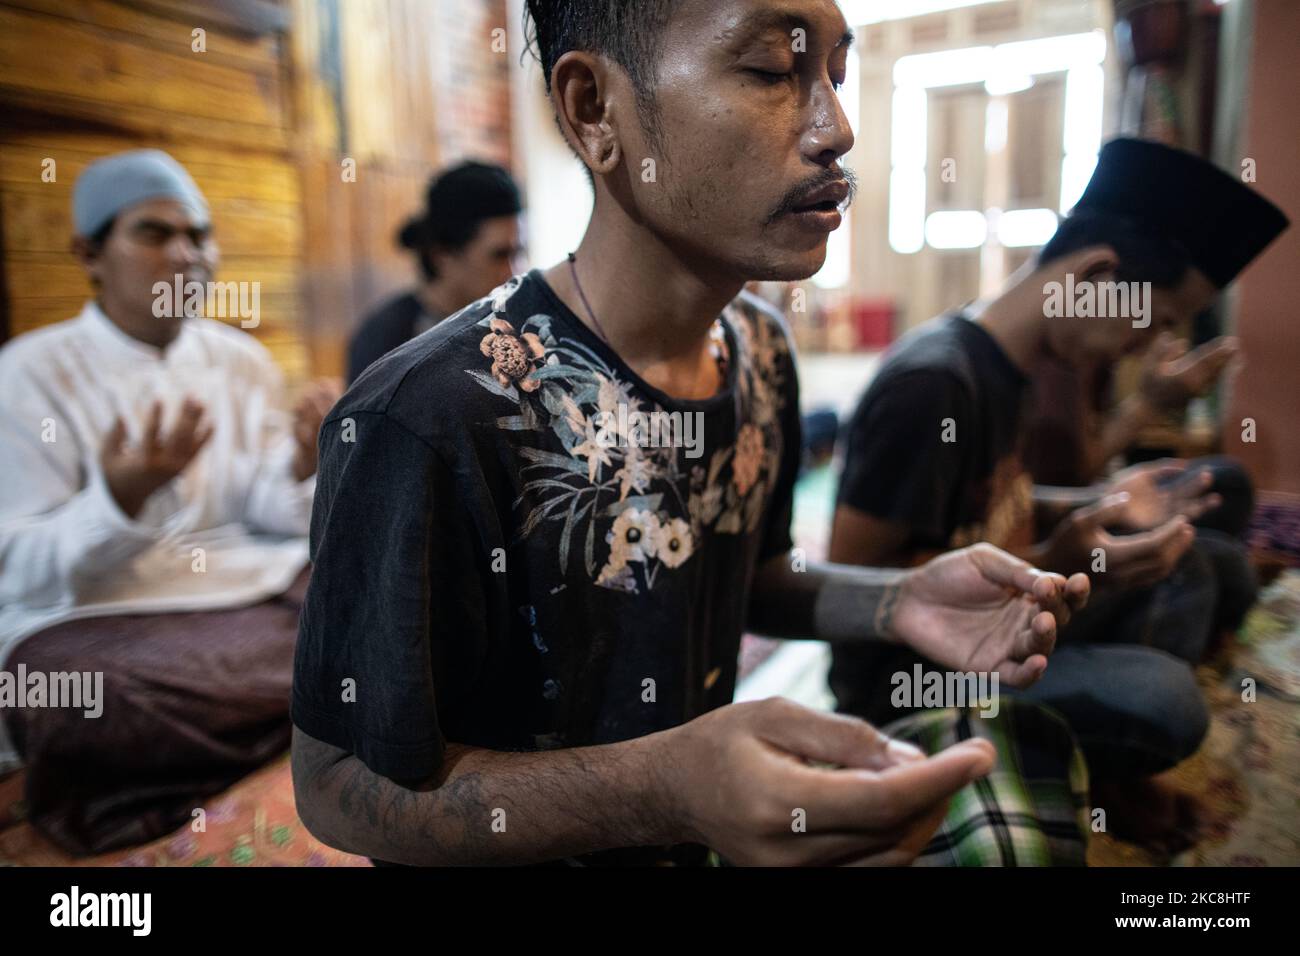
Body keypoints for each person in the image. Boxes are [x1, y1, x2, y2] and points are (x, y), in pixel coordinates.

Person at [291, 0, 1093, 868]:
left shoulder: (759, 352)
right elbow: (336, 784)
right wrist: (665, 788)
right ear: (596, 109)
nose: (837, 128)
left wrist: (896, 602)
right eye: (768, 71)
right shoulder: (427, 414)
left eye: (835, 71)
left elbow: (748, 576)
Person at [830, 137, 1288, 854]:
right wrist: (1053, 556)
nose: (1149, 345)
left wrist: (1093, 506)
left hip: (1005, 625)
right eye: (1159, 319)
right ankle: (1101, 776)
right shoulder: (935, 384)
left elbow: (995, 501)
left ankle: (1100, 758)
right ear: (1098, 275)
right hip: (913, 682)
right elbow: (851, 599)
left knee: (1199, 555)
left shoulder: (1013, 364)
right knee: (1163, 699)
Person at [0, 149, 340, 854]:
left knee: (376, 586)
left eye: (200, 235)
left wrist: (305, 466)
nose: (187, 255)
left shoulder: (236, 359)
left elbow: (267, 510)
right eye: (155, 234)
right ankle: (317, 709)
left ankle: (270, 721)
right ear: (89, 253)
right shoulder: (27, 375)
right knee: (73, 697)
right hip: (108, 619)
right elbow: (19, 569)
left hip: (244, 589)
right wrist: (118, 500)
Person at [346, 161, 525, 383]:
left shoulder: (517, 324)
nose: (513, 273)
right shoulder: (386, 340)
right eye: (499, 256)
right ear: (443, 255)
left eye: (517, 254)